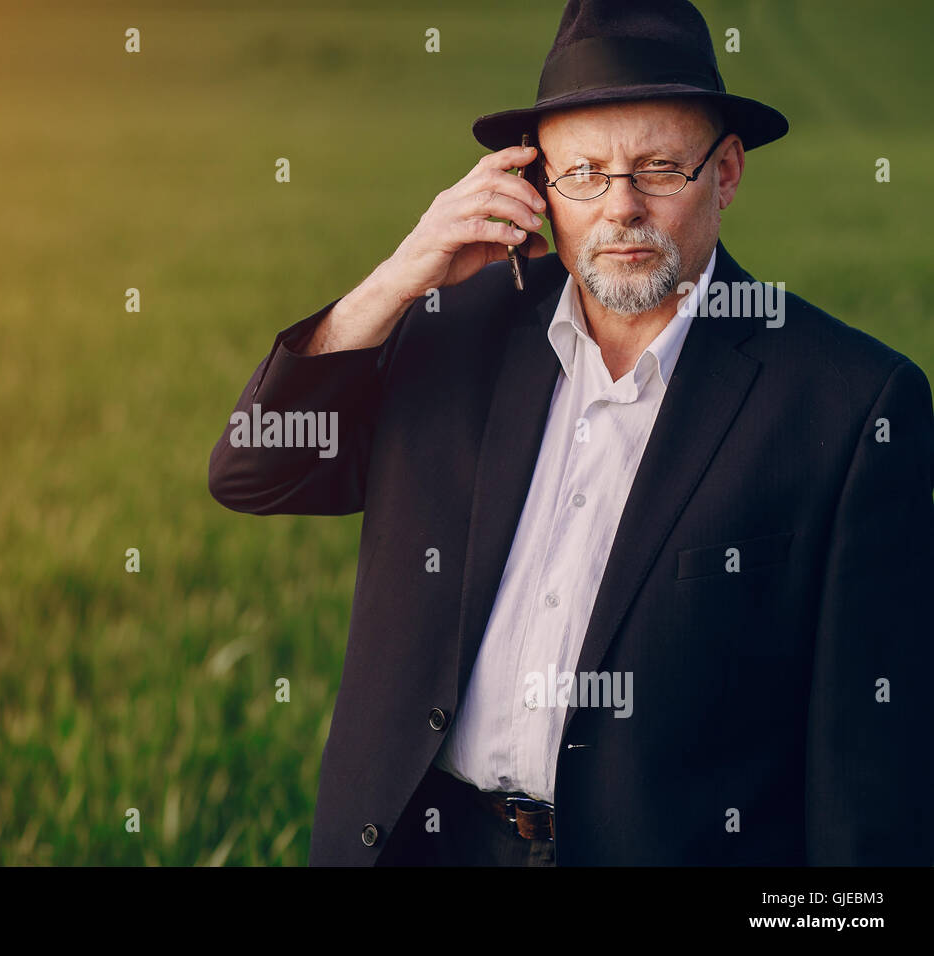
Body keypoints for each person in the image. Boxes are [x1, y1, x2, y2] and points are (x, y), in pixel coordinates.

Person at [208, 0, 934, 866]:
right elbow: (255, 473)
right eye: (583, 173)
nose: (620, 207)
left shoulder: (848, 403)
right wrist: (397, 280)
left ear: (727, 172)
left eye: (660, 168)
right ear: (536, 183)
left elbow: (867, 781)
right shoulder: (448, 326)